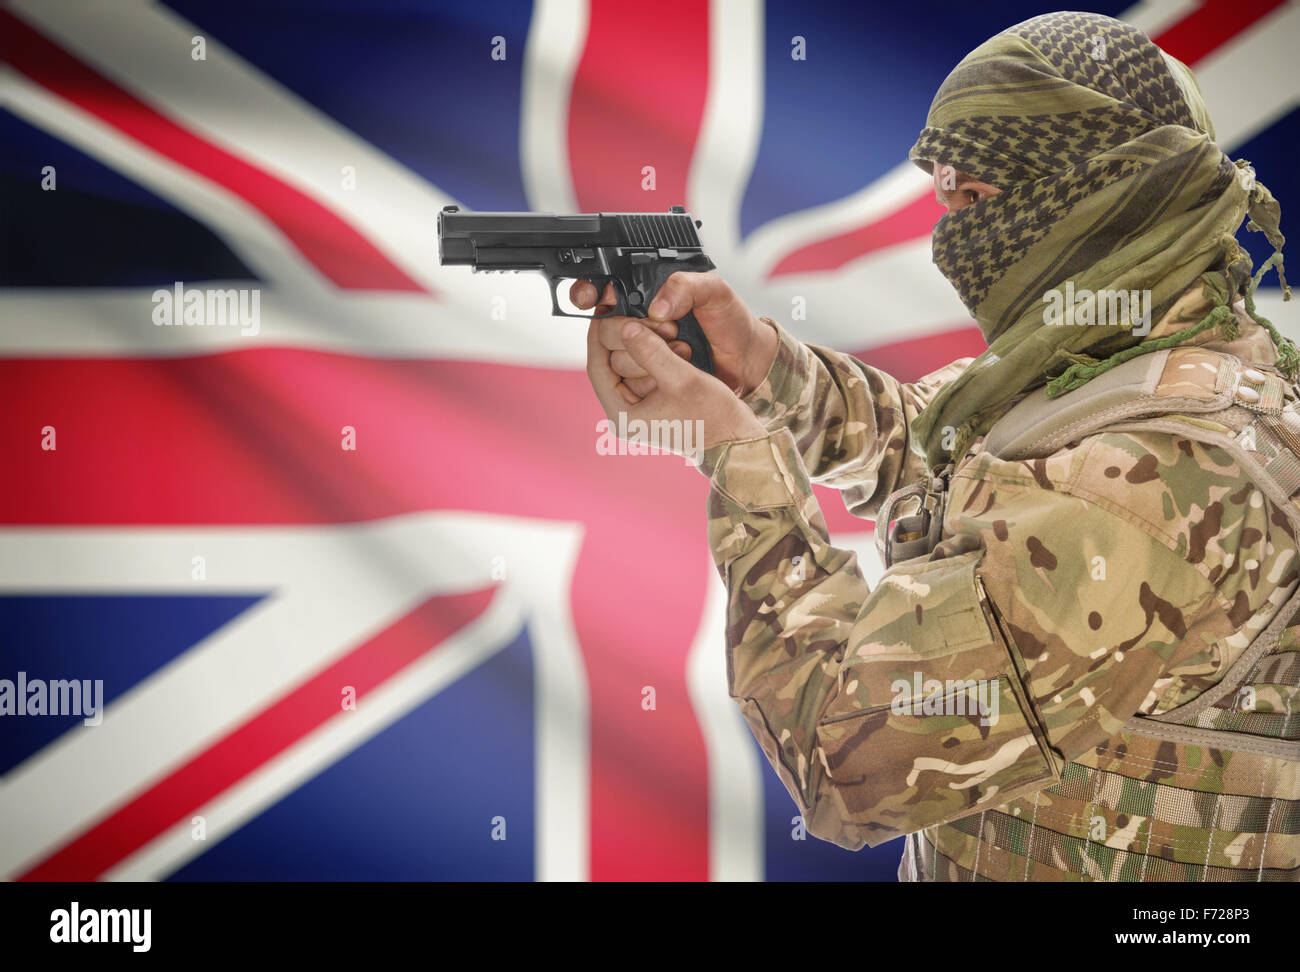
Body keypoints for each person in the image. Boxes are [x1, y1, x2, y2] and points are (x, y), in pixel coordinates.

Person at [578, 11, 1298, 881]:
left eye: (974, 195)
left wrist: (739, 456)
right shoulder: (1140, 358)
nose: (947, 227)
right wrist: (763, 366)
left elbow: (849, 765)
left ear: (1095, 190)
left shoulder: (1157, 482)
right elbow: (944, 452)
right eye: (942, 190)